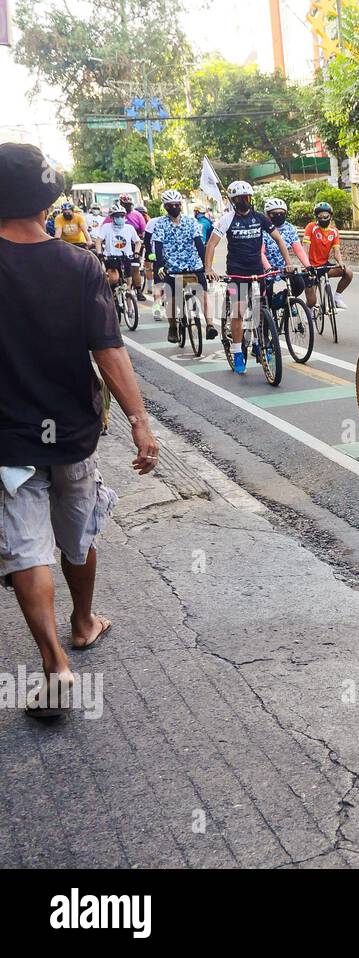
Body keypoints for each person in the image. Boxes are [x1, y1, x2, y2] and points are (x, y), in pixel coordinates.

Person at [0, 142, 159, 718]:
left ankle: (55, 667)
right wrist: (141, 424)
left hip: (9, 440)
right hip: (71, 432)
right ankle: (84, 622)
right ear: (47, 198)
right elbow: (110, 352)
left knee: (25, 549)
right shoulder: (79, 264)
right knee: (77, 533)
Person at [203, 180, 293, 375]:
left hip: (257, 270)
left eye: (247, 198)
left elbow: (279, 239)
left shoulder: (260, 218)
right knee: (238, 311)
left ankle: (260, 343)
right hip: (236, 272)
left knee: (261, 309)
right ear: (234, 201)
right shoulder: (227, 219)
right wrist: (208, 268)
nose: (245, 201)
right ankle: (237, 352)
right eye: (240, 199)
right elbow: (211, 245)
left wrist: (288, 263)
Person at [152, 189, 214, 343]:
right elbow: (158, 247)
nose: (174, 207)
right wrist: (160, 266)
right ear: (165, 207)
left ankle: (210, 325)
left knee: (204, 295)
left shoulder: (191, 222)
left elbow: (200, 245)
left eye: (177, 204)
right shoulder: (160, 224)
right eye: (170, 205)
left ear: (181, 205)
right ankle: (173, 327)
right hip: (171, 268)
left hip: (193, 265)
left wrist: (207, 266)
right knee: (171, 300)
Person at [259, 197, 312, 312]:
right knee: (266, 297)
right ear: (267, 215)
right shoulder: (262, 229)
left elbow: (298, 249)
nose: (278, 216)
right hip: (266, 268)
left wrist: (308, 266)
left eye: (281, 213)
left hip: (285, 265)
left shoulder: (289, 228)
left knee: (299, 284)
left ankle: (285, 300)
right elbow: (260, 253)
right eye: (274, 214)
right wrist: (268, 268)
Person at [303, 201, 352, 311]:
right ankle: (308, 312)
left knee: (348, 272)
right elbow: (305, 248)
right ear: (317, 217)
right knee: (312, 301)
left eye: (326, 216)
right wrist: (306, 265)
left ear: (331, 216)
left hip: (324, 266)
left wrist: (341, 263)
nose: (323, 218)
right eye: (320, 216)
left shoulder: (334, 231)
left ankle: (337, 297)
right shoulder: (311, 227)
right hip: (311, 267)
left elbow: (337, 251)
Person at [94, 204, 142, 288]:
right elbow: (98, 241)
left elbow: (138, 242)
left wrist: (136, 252)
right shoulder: (106, 227)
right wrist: (99, 253)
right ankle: (105, 292)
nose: (120, 218)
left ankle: (129, 300)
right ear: (112, 217)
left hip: (126, 257)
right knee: (113, 279)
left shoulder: (129, 228)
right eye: (117, 216)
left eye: (122, 216)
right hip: (111, 257)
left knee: (128, 283)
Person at [118, 194, 148, 301]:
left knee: (135, 268)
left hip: (134, 243)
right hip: (119, 244)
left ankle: (139, 291)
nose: (127, 207)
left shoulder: (137, 215)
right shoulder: (114, 215)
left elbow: (144, 231)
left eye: (129, 205)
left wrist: (144, 242)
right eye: (125, 205)